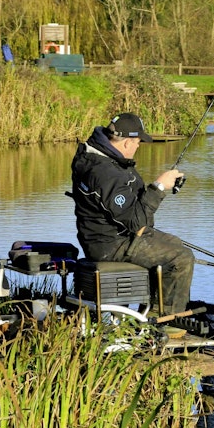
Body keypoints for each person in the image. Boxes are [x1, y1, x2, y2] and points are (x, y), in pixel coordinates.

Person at [69, 112, 193, 315]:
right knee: (181, 257)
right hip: (111, 245)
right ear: (127, 143)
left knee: (175, 244)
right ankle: (164, 321)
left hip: (110, 236)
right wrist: (159, 187)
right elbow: (136, 222)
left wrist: (156, 187)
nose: (138, 146)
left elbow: (130, 209)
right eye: (138, 142)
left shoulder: (100, 157)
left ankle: (151, 308)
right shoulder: (105, 172)